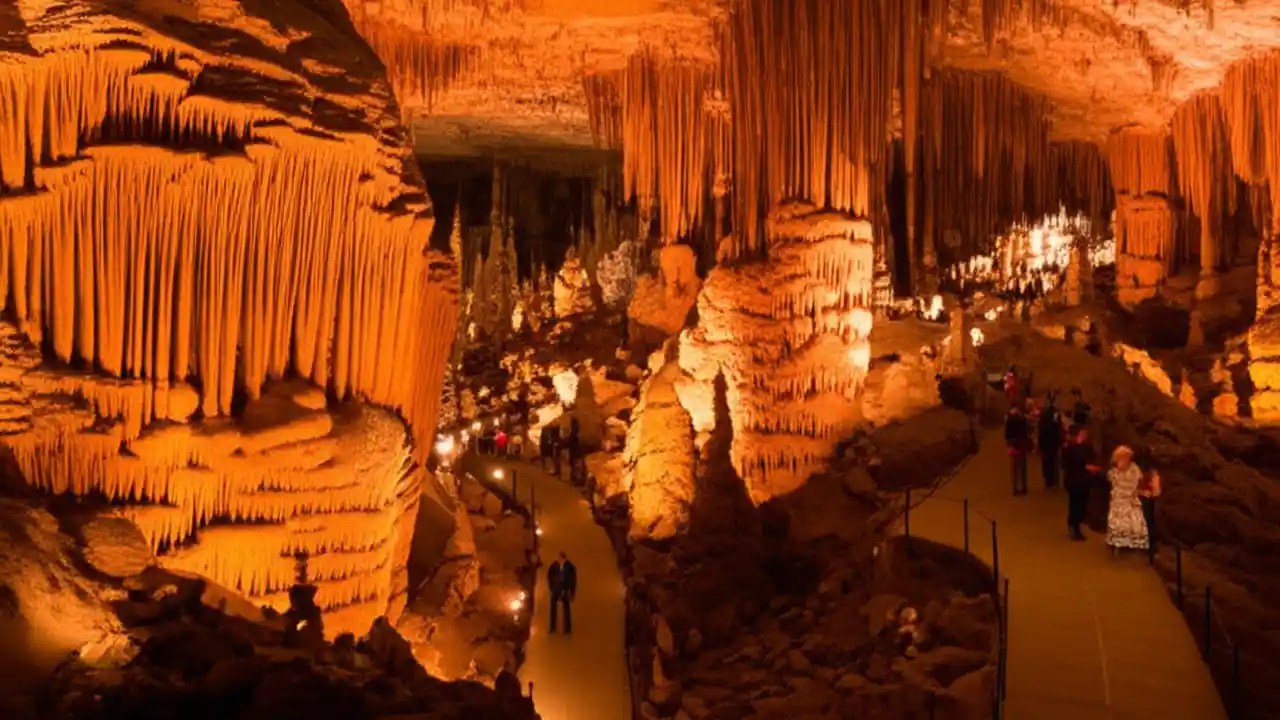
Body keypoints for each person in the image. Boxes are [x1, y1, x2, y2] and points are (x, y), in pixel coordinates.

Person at [1106, 446, 1150, 553]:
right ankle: (1118, 545)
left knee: (1134, 523)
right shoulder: (1114, 471)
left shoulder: (1134, 469)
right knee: (1118, 524)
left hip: (1130, 500)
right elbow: (1113, 482)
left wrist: (1139, 492)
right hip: (1118, 500)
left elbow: (1137, 483)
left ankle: (1133, 545)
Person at [1062, 425, 1100, 540]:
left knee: (1082, 503)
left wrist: (1093, 467)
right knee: (1075, 504)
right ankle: (1074, 526)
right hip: (1075, 479)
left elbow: (1091, 458)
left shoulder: (1087, 446)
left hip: (1084, 479)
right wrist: (1086, 467)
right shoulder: (1070, 447)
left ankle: (1076, 523)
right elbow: (1066, 463)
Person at [1037, 393, 1064, 489]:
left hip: (1047, 440)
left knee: (1047, 462)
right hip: (1052, 440)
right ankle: (1053, 481)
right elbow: (1058, 426)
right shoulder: (1054, 414)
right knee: (1052, 461)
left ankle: (1049, 481)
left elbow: (1040, 427)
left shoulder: (1045, 413)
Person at [1137, 464, 1162, 564]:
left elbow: (1156, 490)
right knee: (1148, 523)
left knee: (1146, 523)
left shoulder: (1143, 473)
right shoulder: (1152, 474)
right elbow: (1156, 491)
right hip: (1146, 500)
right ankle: (1149, 546)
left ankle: (1147, 546)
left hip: (1144, 500)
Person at [1004, 403, 1031, 496]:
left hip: (1012, 443)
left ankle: (1015, 488)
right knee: (1022, 466)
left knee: (1014, 467)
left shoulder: (1009, 418)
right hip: (1021, 443)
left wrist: (1008, 444)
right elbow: (1026, 431)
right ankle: (1023, 487)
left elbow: (1007, 434)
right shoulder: (1022, 418)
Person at [546, 551, 577, 634]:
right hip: (555, 590)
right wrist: (551, 587)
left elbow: (573, 581)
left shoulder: (570, 567)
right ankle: (552, 627)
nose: (559, 560)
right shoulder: (554, 566)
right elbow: (549, 577)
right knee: (553, 608)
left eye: (561, 559)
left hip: (565, 590)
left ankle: (567, 628)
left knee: (566, 609)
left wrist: (571, 592)